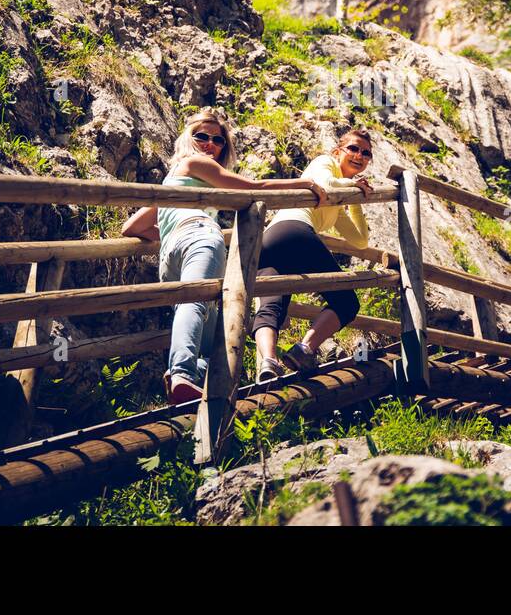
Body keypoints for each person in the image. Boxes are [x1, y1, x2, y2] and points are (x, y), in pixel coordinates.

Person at [121, 109, 328, 403]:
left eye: (217, 140)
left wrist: (173, 231)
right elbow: (254, 188)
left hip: (170, 256)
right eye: (201, 136)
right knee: (195, 304)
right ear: (188, 139)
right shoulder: (196, 163)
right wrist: (303, 184)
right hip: (200, 239)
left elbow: (132, 227)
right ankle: (181, 374)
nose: (210, 144)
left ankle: (195, 382)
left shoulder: (172, 181)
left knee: (208, 321)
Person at [252, 128, 375, 381]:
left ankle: (268, 362)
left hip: (270, 241)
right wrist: (353, 186)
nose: (359, 155)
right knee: (347, 302)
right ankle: (304, 349)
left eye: (366, 153)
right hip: (295, 231)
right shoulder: (324, 162)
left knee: (272, 305)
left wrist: (355, 199)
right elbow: (326, 184)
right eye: (353, 148)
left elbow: (360, 241)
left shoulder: (338, 201)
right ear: (337, 151)